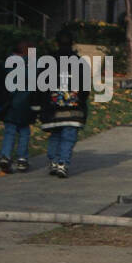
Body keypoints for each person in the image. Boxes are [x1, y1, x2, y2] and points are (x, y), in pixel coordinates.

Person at [40, 26, 88, 178]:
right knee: (69, 136)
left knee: (55, 134)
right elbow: (85, 87)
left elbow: (41, 85)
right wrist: (81, 99)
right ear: (73, 43)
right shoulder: (80, 62)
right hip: (74, 108)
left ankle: (53, 161)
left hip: (53, 108)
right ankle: (63, 163)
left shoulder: (48, 61)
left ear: (56, 43)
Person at [0, 40, 37, 174]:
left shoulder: (7, 64)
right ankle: (22, 158)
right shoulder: (31, 67)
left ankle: (5, 156)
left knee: (9, 131)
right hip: (25, 105)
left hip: (10, 104)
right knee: (24, 132)